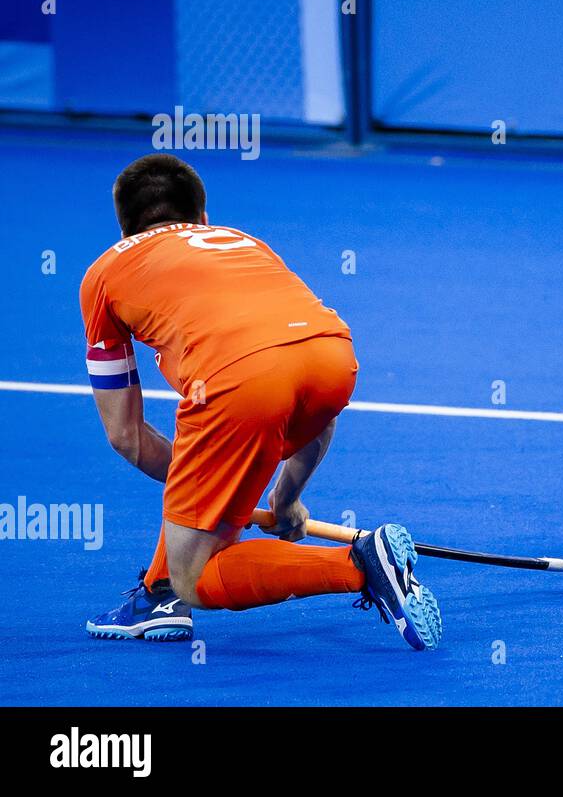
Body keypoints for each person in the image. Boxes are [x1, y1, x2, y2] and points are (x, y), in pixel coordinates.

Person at [80, 153, 440, 648]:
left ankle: (359, 564)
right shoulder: (243, 240)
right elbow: (301, 386)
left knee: (197, 579)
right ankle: (156, 594)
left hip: (240, 383)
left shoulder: (105, 273)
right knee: (260, 414)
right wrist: (284, 498)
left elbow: (128, 437)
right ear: (202, 218)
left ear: (124, 230)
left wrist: (218, 495)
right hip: (331, 357)